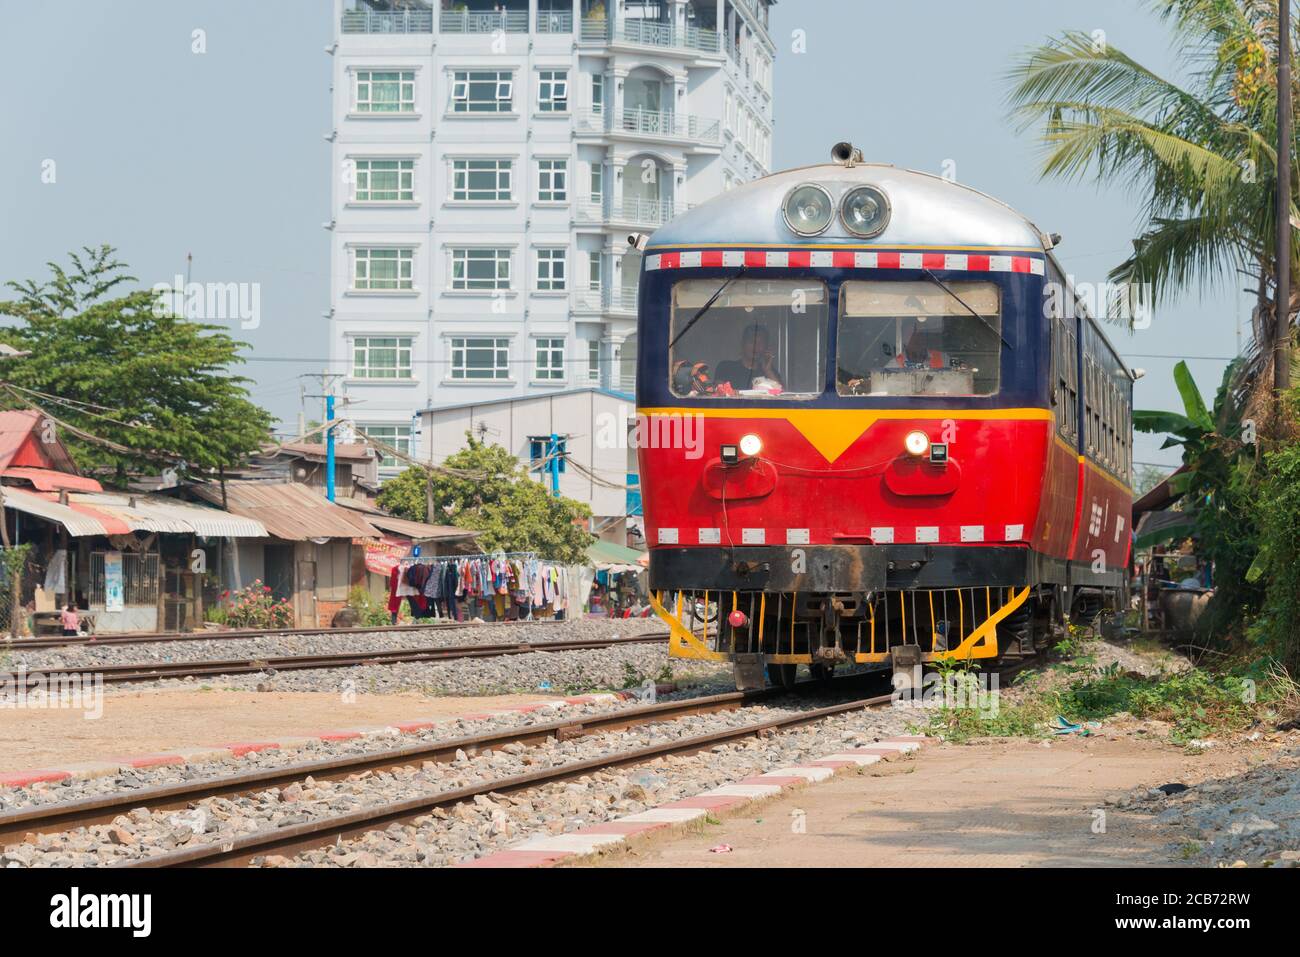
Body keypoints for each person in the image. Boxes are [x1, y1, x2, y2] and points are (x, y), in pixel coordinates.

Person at [714, 326, 783, 392]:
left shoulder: (770, 372)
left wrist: (768, 371)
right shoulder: (726, 367)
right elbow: (719, 393)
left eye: (760, 343)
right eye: (752, 341)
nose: (756, 346)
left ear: (766, 347)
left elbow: (782, 397)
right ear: (743, 344)